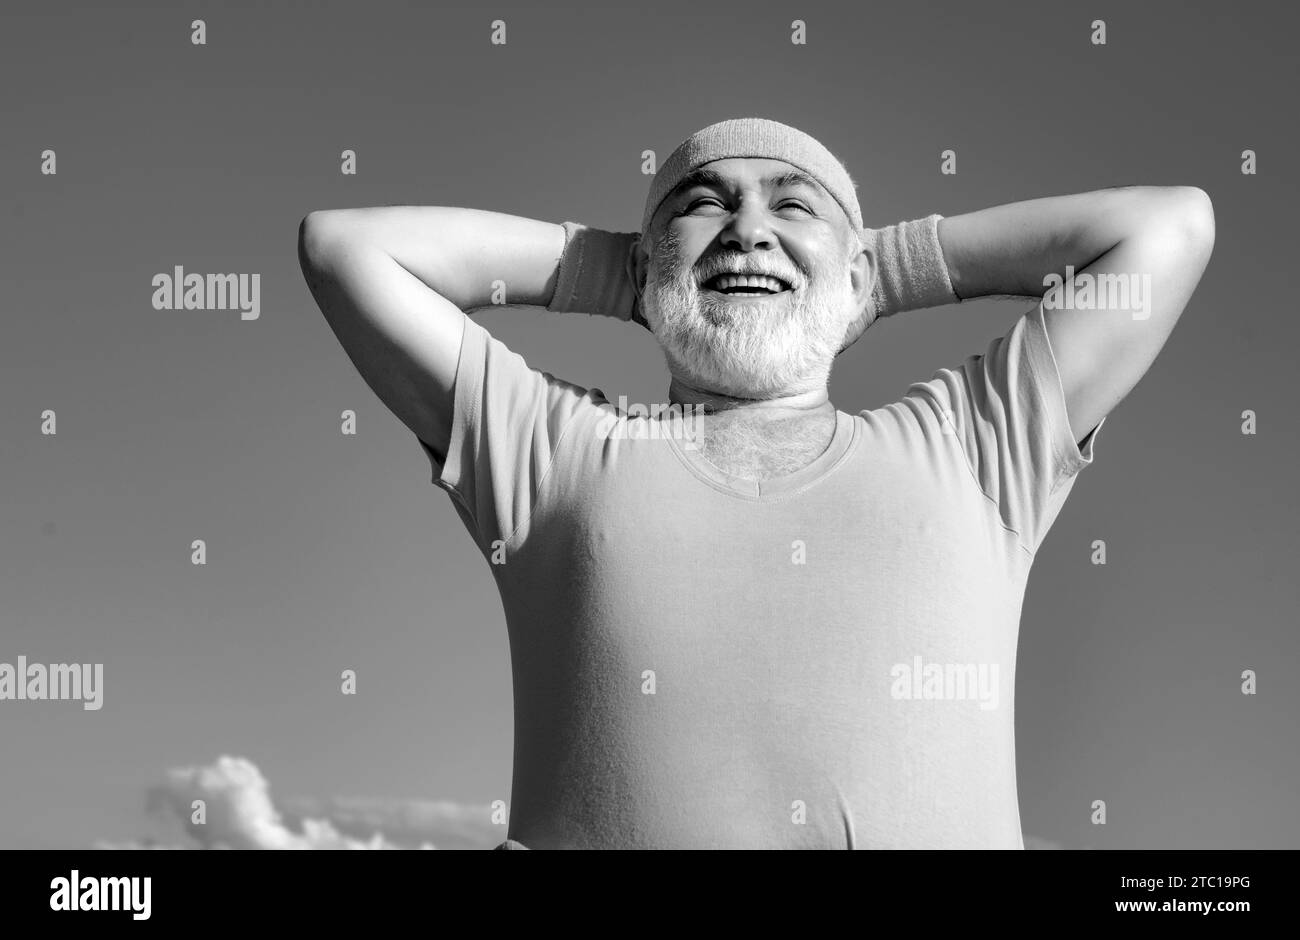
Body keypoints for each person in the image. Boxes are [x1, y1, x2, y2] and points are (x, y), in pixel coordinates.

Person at [297, 117, 1214, 849]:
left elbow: (1169, 229)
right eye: (704, 204)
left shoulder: (977, 445)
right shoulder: (552, 452)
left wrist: (881, 272)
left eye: (793, 207)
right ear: (643, 267)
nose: (748, 229)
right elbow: (347, 249)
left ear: (859, 273)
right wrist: (619, 271)